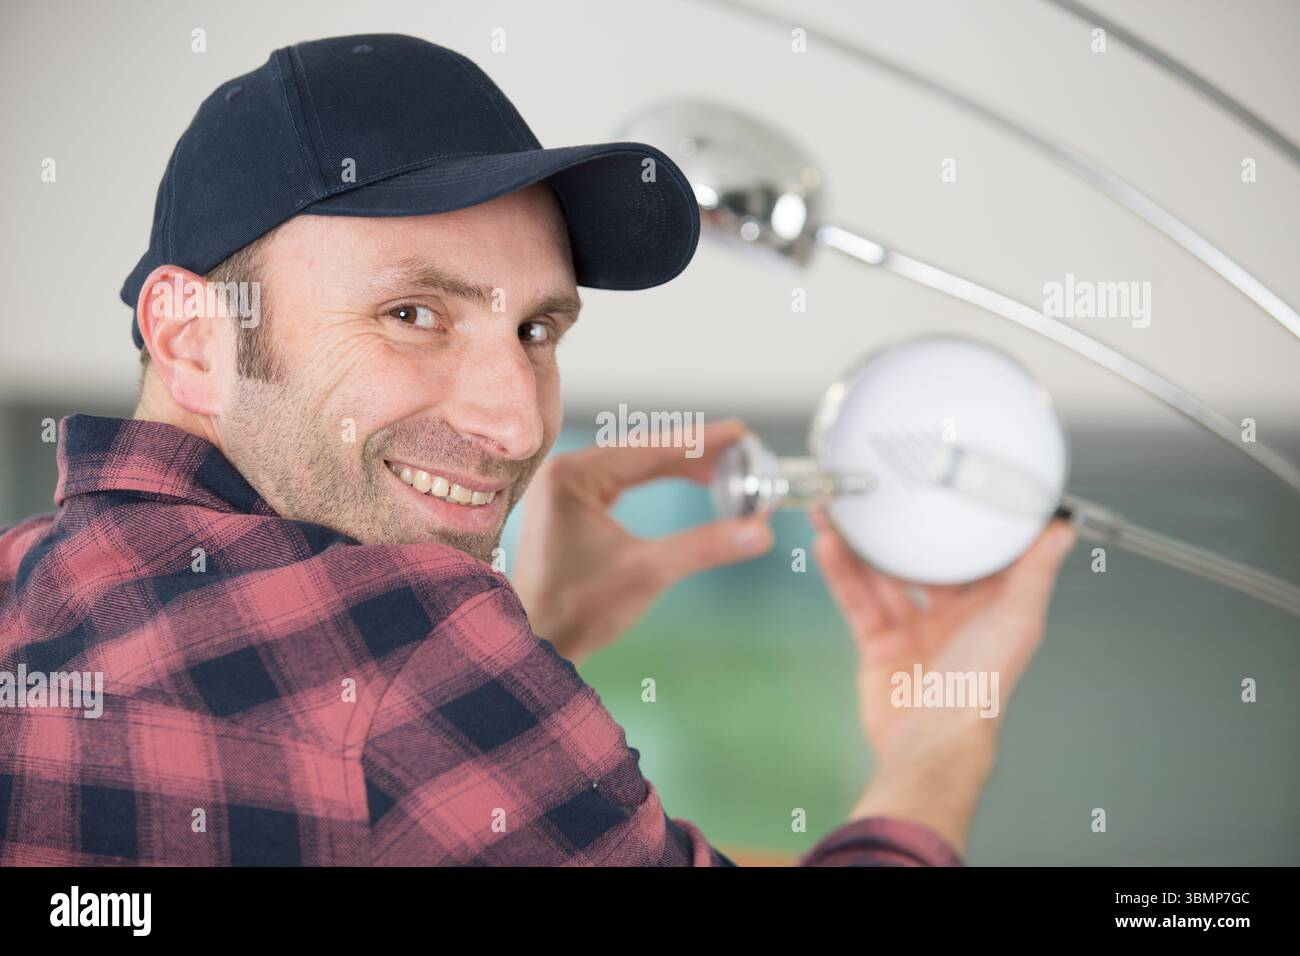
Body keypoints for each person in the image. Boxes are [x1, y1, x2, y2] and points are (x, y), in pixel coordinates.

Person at [0, 33, 1075, 866]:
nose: (515, 424)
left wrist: (534, 621)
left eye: (536, 330)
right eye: (413, 313)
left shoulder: (21, 593)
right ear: (192, 337)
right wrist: (941, 721)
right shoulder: (410, 652)